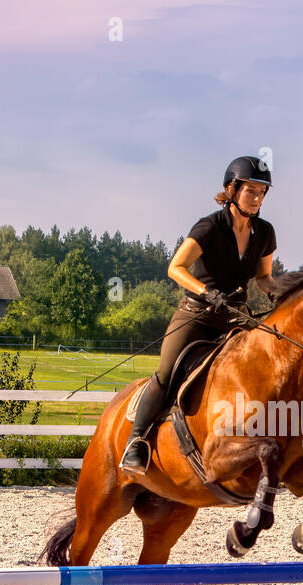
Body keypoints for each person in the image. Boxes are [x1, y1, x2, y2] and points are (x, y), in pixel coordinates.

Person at [119, 156, 279, 475]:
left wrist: (280, 293)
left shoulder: (265, 232)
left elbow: (263, 277)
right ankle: (136, 442)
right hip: (197, 314)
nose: (258, 197)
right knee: (167, 374)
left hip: (235, 315)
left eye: (263, 191)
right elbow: (175, 267)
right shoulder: (209, 227)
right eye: (251, 190)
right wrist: (207, 292)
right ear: (231, 190)